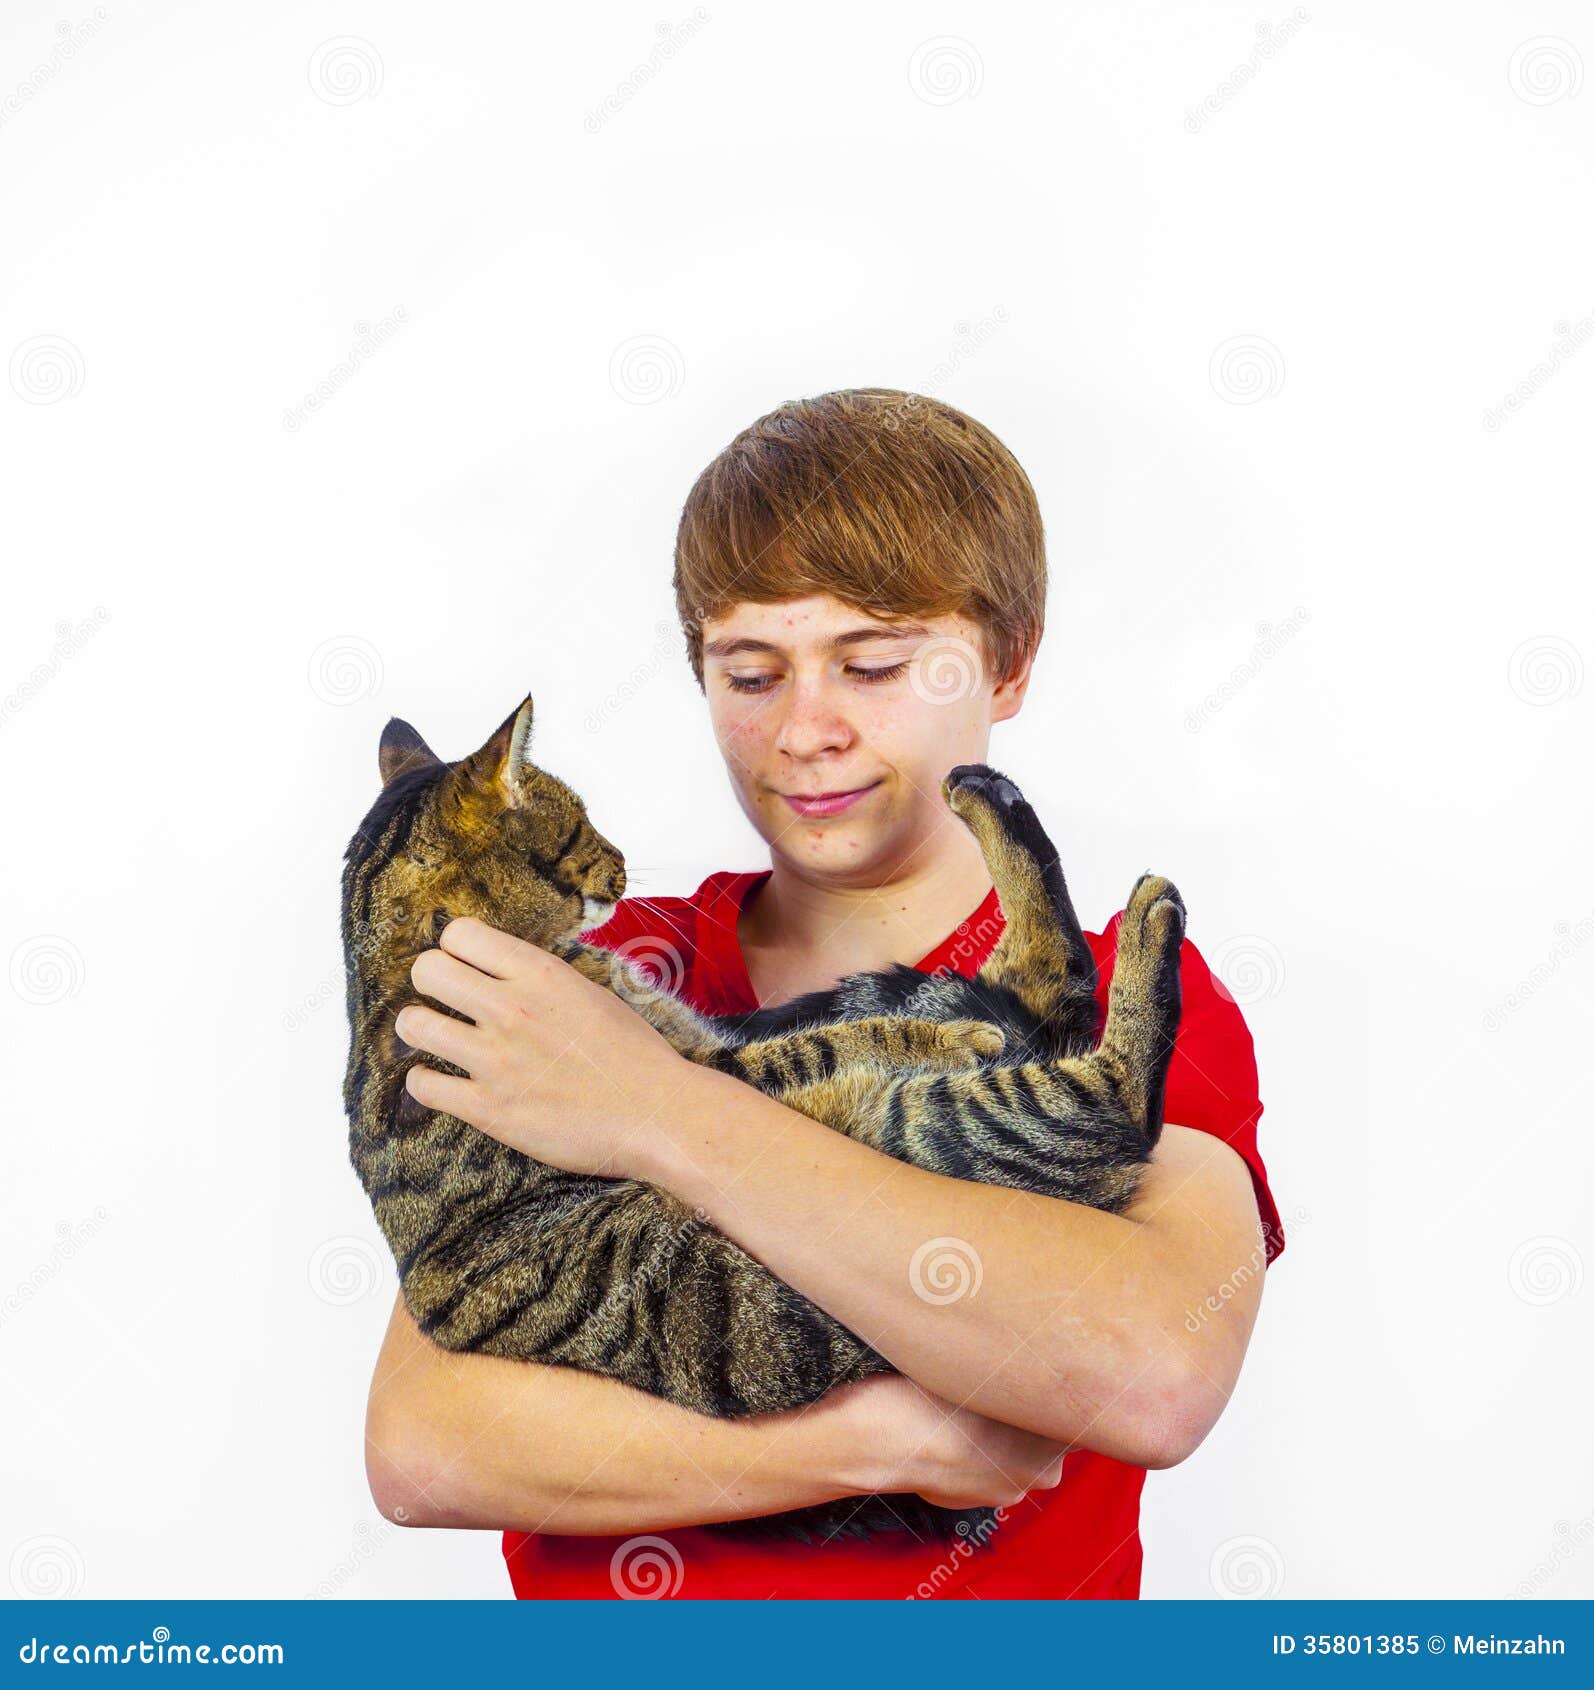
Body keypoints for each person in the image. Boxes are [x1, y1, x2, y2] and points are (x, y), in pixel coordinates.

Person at [364, 388, 1284, 1600]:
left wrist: (653, 1111)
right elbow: (424, 1442)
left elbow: (1150, 1368)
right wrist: (876, 1439)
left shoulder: (1129, 987)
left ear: (1006, 664)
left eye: (872, 664)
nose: (805, 729)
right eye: (750, 674)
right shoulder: (592, 974)